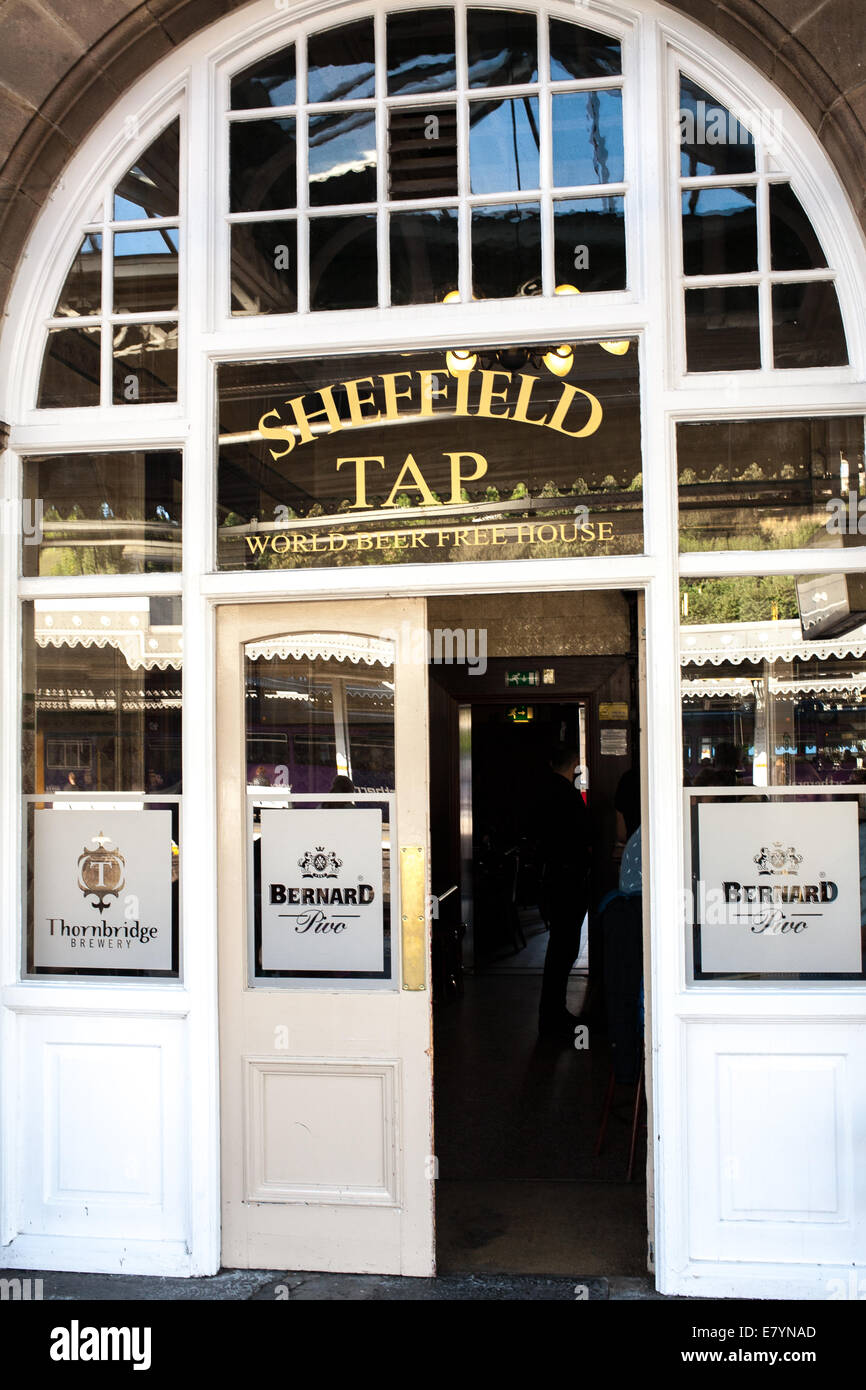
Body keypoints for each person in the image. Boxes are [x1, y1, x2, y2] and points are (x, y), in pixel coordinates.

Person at [536, 742, 593, 1040]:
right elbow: (584, 835)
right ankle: (553, 1016)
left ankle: (552, 1014)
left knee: (558, 947)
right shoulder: (568, 796)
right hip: (568, 879)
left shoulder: (542, 791)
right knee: (564, 948)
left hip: (551, 877)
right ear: (574, 763)